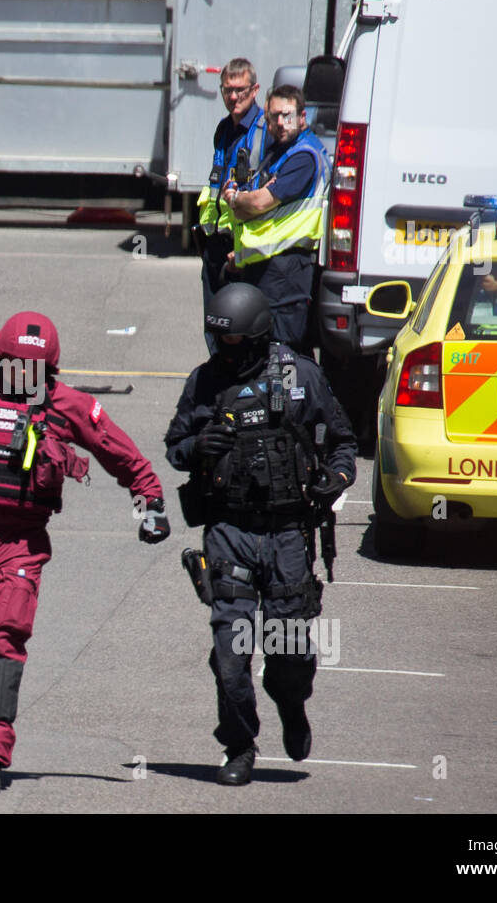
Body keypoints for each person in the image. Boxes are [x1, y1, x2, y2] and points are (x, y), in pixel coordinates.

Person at [0, 312, 170, 793]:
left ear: (49, 371)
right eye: (12, 362)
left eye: (31, 366)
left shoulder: (68, 407)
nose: (21, 372)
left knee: (1, 641)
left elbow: (118, 452)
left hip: (20, 544)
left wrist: (151, 503)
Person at [164, 284, 356, 786]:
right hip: (228, 531)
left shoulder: (301, 377)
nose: (222, 352)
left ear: (255, 339)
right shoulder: (204, 383)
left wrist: (334, 480)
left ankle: (291, 704)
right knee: (230, 653)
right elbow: (175, 447)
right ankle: (239, 746)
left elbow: (342, 442)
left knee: (289, 656)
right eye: (217, 341)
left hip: (288, 533)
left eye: (232, 343)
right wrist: (197, 445)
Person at [220, 85, 329, 349]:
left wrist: (235, 199)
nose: (280, 122)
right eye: (273, 116)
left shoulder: (304, 155)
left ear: (302, 117)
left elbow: (258, 202)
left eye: (287, 115)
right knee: (262, 347)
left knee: (282, 350)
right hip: (269, 265)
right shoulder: (280, 151)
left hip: (287, 269)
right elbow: (253, 202)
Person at [196, 58, 268, 326]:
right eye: (227, 90)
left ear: (255, 90)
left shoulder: (265, 130)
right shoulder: (224, 129)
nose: (234, 96)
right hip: (216, 241)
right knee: (214, 322)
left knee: (240, 325)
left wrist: (241, 251)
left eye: (241, 90)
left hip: (243, 246)